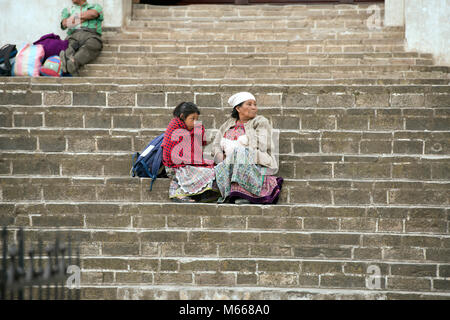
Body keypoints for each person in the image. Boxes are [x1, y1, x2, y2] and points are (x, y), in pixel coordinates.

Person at [212, 92, 283, 204]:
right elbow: (216, 145)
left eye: (255, 104)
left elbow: (263, 143)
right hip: (229, 160)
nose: (254, 107)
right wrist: (221, 156)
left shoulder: (261, 121)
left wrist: (240, 143)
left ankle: (246, 194)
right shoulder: (228, 124)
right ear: (238, 108)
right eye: (249, 104)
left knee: (240, 153)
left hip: (256, 158)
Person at [162, 102, 219, 203]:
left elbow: (199, 146)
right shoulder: (174, 128)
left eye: (197, 119)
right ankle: (179, 194)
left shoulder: (194, 128)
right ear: (182, 117)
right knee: (208, 172)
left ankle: (203, 195)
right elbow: (172, 156)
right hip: (175, 167)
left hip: (191, 162)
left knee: (217, 169)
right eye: (192, 119)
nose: (195, 122)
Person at [59, 0, 104, 76]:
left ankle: (72, 62)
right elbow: (65, 24)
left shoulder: (95, 6)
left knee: (94, 44)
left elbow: (93, 14)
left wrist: (73, 19)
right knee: (69, 46)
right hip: (73, 35)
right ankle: (68, 59)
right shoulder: (67, 10)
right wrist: (86, 17)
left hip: (91, 34)